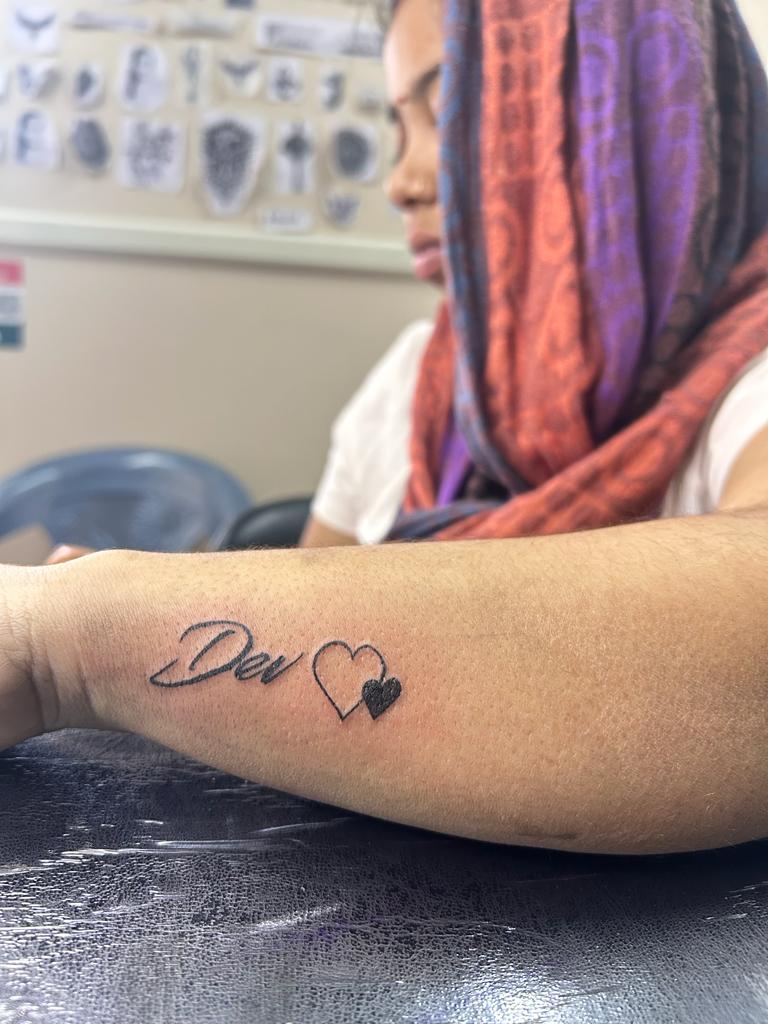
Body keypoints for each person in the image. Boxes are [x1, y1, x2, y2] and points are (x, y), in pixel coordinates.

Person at [3, 0, 768, 856]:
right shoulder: (418, 376)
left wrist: (79, 637)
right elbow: (309, 594)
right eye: (395, 126)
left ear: (619, 119)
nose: (400, 179)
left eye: (446, 110)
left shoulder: (751, 374)